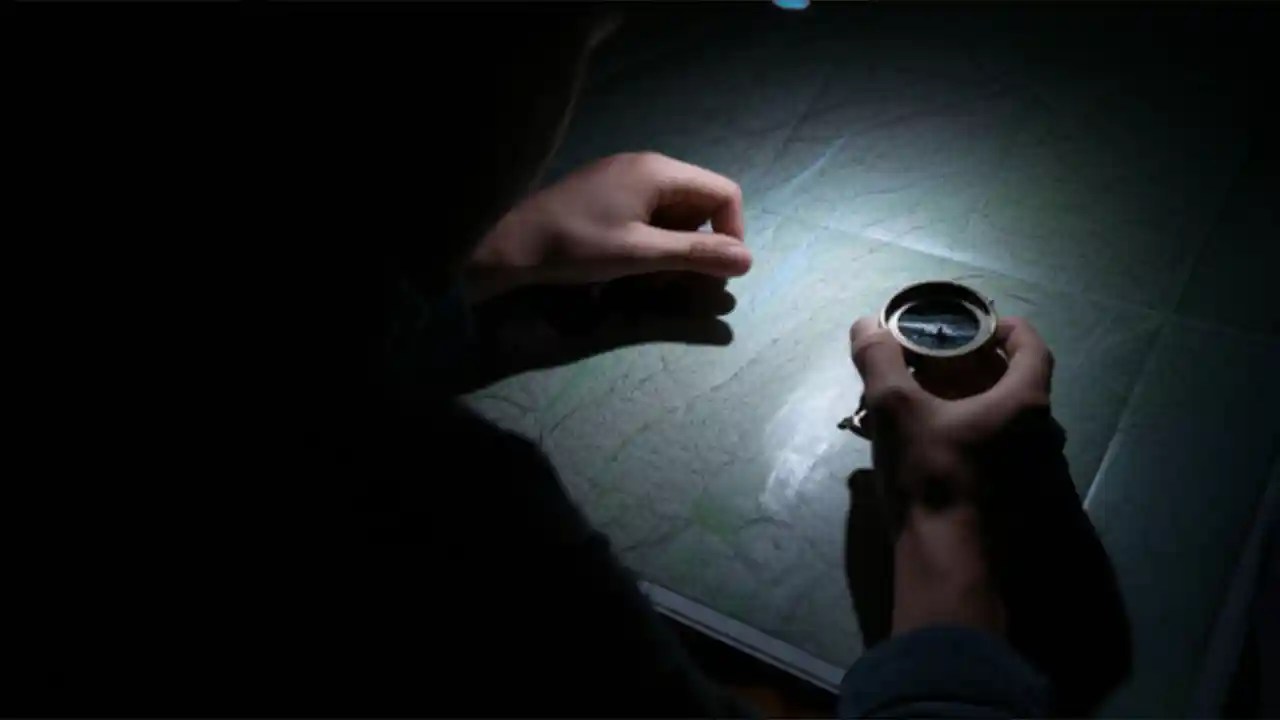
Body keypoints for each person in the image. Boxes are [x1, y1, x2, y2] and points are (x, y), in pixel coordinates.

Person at [11, 5, 1126, 717]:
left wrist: (477, 269)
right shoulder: (444, 526)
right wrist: (942, 534)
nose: (587, 66)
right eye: (581, 27)